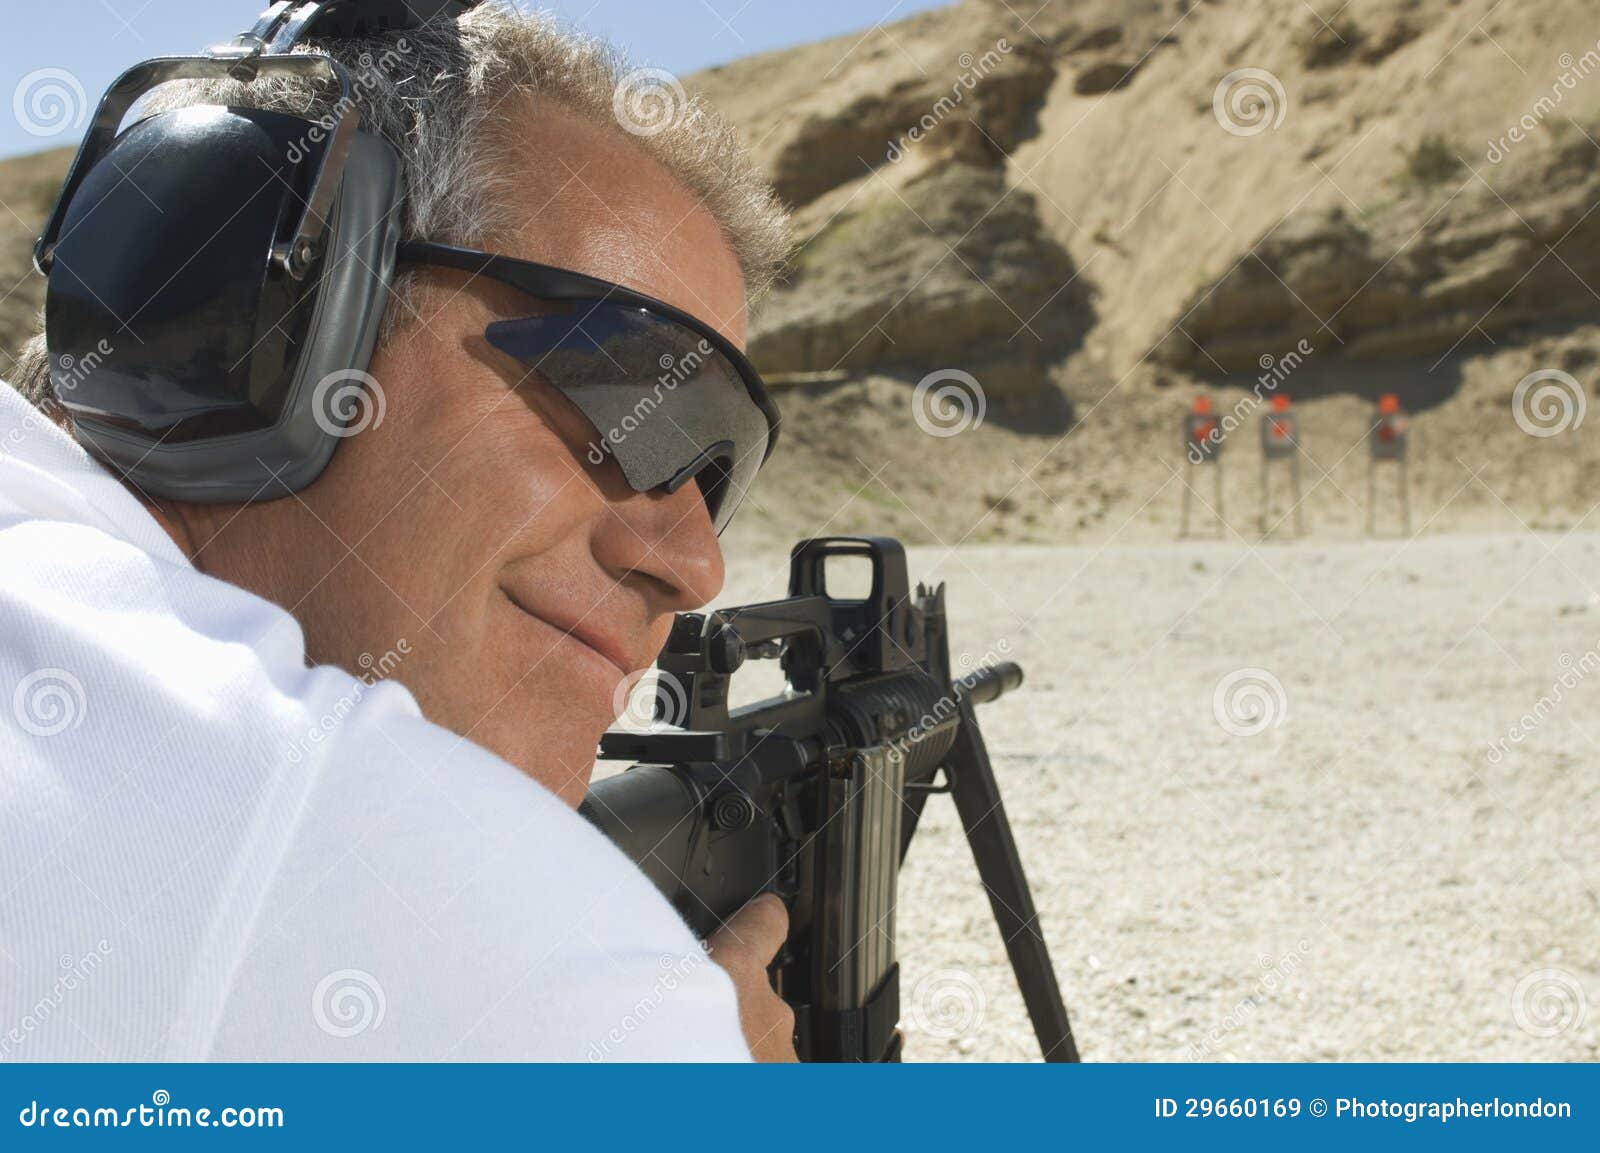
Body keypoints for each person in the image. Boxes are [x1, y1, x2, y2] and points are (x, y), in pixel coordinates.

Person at [0, 2, 796, 1061]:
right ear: (262, 326)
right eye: (629, 397)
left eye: (714, 464)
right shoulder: (375, 855)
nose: (695, 565)